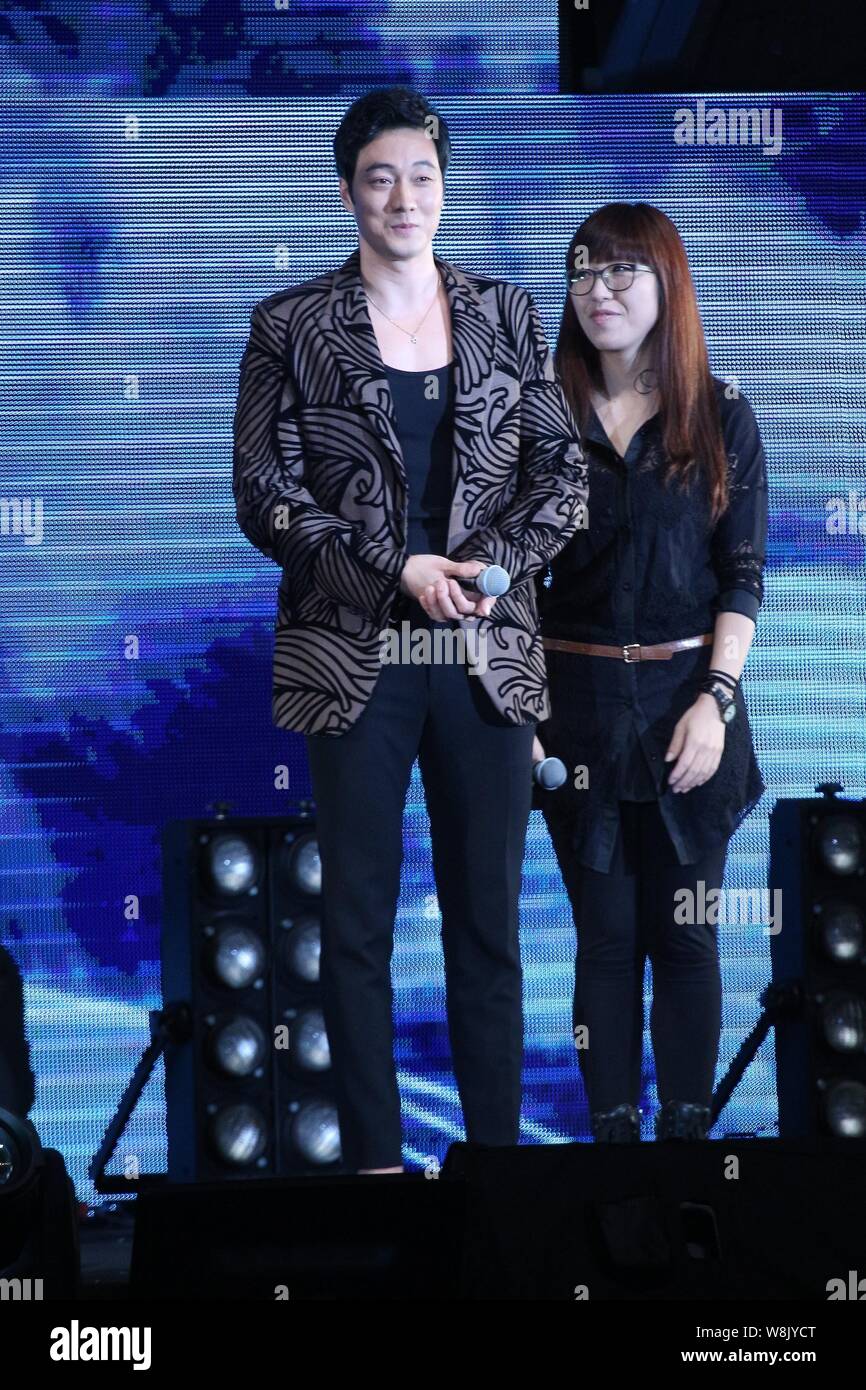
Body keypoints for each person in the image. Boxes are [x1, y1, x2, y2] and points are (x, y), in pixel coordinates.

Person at [232, 87, 587, 1173]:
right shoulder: (289, 324)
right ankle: (379, 1166)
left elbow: (561, 478)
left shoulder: (508, 313)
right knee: (354, 927)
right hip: (356, 655)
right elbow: (264, 494)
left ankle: (495, 1171)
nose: (403, 196)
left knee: (486, 925)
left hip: (482, 653)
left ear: (444, 187)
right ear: (347, 191)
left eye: (422, 175)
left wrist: (492, 566)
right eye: (380, 176)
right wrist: (397, 566)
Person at [532, 202, 768, 1143]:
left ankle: (685, 1148)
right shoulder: (536, 412)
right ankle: (613, 1148)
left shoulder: (722, 415)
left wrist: (715, 701)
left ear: (669, 286)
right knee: (605, 938)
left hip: (687, 707)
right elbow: (504, 581)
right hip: (574, 711)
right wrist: (522, 719)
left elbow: (742, 576)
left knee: (686, 935)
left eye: (624, 272)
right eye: (584, 273)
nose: (601, 291)